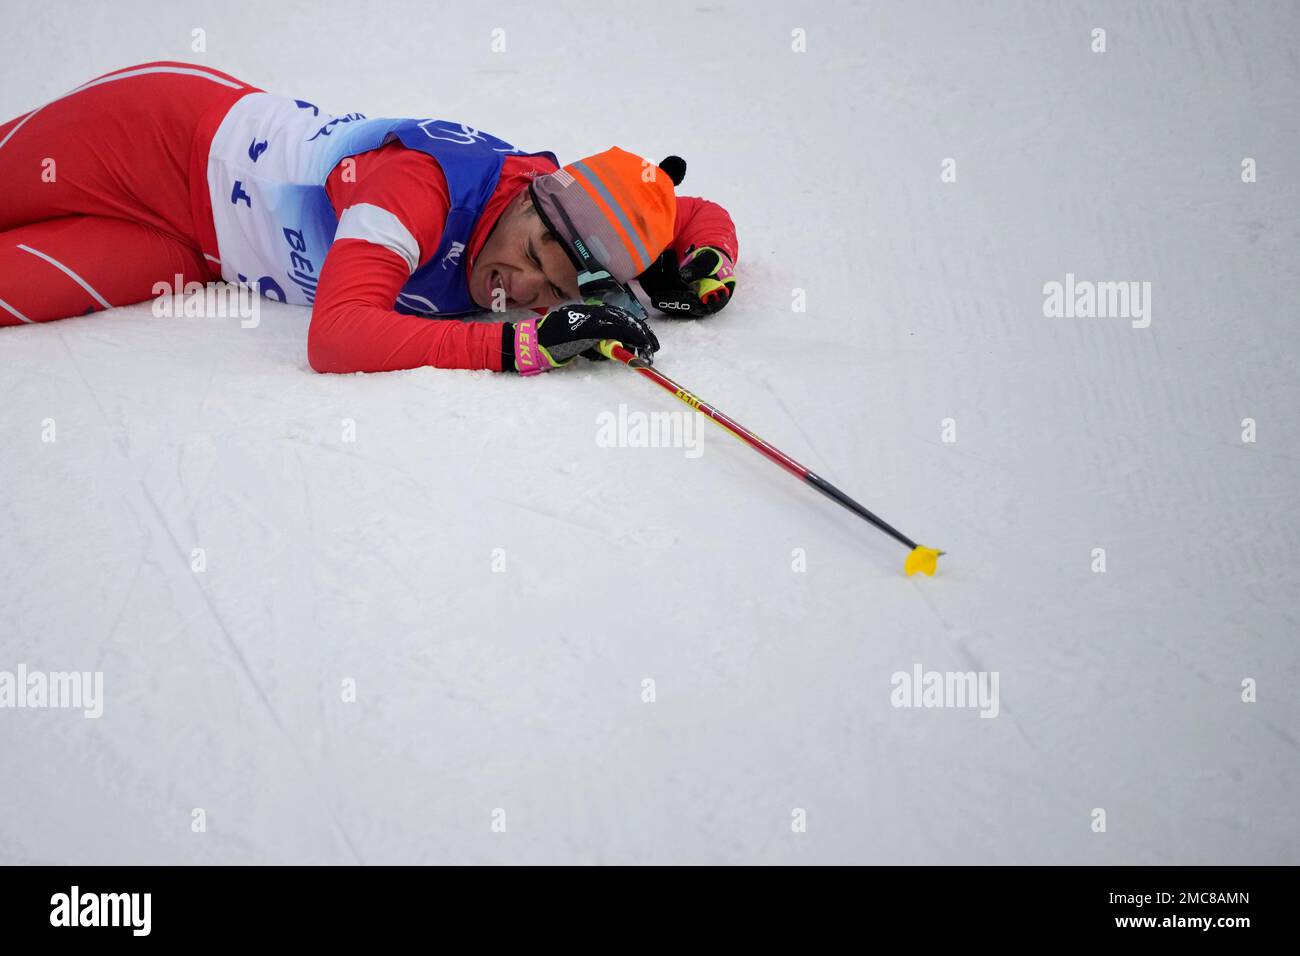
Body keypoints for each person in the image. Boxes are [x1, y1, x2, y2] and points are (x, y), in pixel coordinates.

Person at [0, 61, 739, 375]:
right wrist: (524, 346)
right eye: (532, 258)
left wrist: (706, 263)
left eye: (552, 292)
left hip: (194, 250)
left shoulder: (567, 212)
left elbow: (689, 209)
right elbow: (337, 336)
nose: (520, 288)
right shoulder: (417, 191)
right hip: (155, 134)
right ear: (526, 196)